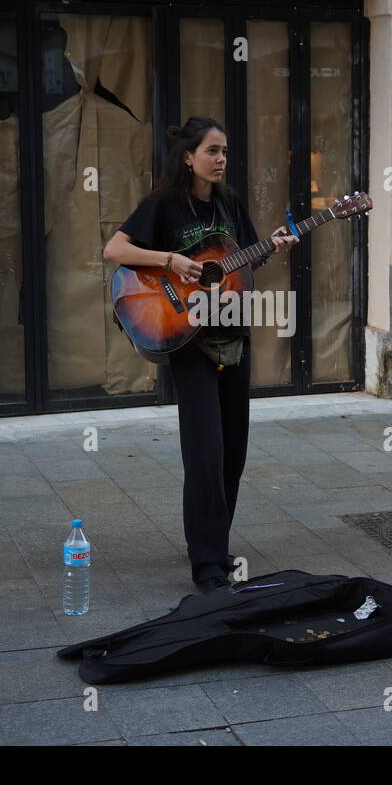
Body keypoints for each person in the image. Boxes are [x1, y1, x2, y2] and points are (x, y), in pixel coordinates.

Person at [103, 117, 298, 594]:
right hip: (189, 341)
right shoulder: (163, 206)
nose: (221, 159)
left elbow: (243, 258)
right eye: (212, 150)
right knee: (205, 450)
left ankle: (211, 540)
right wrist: (170, 260)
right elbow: (115, 250)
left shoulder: (229, 203)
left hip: (232, 335)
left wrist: (272, 246)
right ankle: (207, 565)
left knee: (233, 448)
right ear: (188, 156)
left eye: (225, 151)